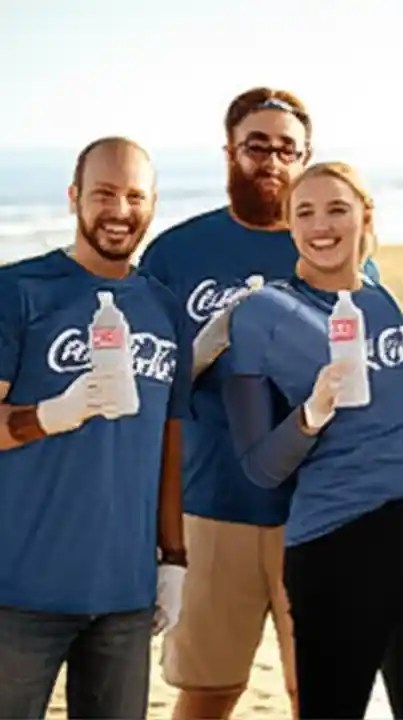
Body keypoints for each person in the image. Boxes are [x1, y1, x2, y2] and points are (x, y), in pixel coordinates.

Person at [139, 87, 377, 720]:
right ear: (229, 152)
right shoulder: (176, 252)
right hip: (215, 501)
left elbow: (374, 374)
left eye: (286, 148)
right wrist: (204, 349)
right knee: (210, 686)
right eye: (255, 146)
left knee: (322, 688)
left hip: (322, 505)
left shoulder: (335, 246)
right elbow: (144, 378)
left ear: (305, 156)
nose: (270, 159)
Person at [220, 162, 403, 719]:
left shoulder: (381, 299)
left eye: (337, 209)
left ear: (364, 217)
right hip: (335, 542)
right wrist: (312, 412)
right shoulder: (265, 312)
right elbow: (259, 466)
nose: (321, 225)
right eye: (305, 212)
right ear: (289, 226)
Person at [0, 137, 191, 718]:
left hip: (124, 597)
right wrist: (54, 414)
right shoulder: (17, 291)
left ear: (153, 203)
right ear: (74, 198)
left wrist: (174, 558)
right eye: (104, 193)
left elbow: (169, 439)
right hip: (17, 594)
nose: (120, 210)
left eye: (135, 195)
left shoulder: (163, 308)